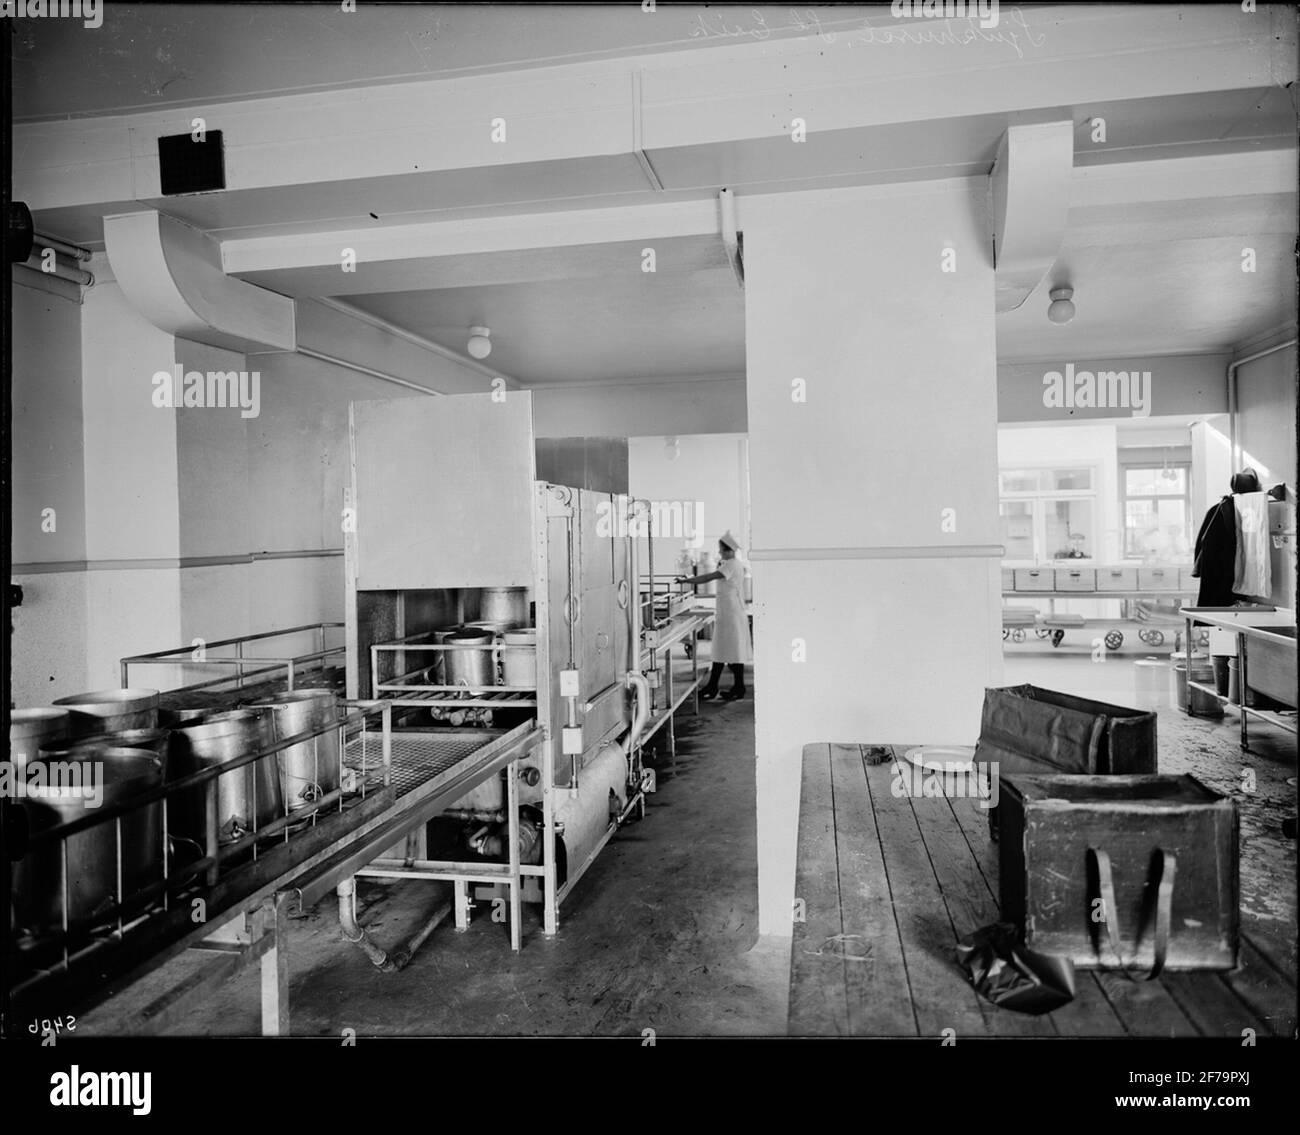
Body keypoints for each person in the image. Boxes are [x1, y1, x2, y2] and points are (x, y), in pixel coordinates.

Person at [676, 530, 752, 700]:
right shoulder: (735, 564)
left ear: (728, 550)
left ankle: (728, 687)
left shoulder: (730, 564)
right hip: (730, 611)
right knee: (726, 651)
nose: (719, 552)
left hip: (730, 614)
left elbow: (709, 577)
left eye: (721, 549)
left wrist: (687, 581)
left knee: (728, 650)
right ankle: (718, 686)